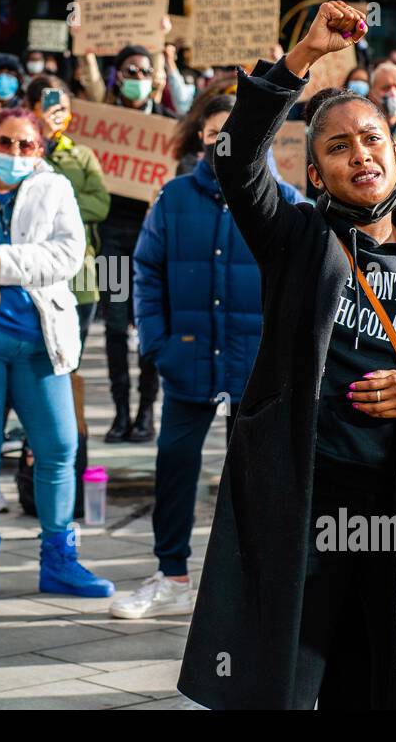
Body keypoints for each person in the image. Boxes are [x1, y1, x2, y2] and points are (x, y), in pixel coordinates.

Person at [176, 2, 396, 709]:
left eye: (371, 139)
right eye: (337, 147)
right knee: (294, 685)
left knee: (395, 684)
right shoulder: (295, 239)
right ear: (316, 173)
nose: (359, 153)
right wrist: (300, 62)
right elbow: (237, 161)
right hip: (306, 502)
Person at [112, 93, 304, 620]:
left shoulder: (285, 200)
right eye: (219, 131)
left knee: (256, 474)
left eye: (239, 132)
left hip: (257, 365)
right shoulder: (173, 199)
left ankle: (251, 582)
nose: (227, 142)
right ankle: (170, 574)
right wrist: (159, 345)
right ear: (202, 135)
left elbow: (302, 286)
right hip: (188, 360)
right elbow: (146, 273)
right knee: (175, 464)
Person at [0, 108, 114, 603]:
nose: (15, 154)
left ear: (40, 149)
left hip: (42, 339)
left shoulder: (56, 187)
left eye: (26, 145)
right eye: (6, 143)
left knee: (59, 449)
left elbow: (68, 254)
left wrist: (1, 261)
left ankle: (59, 561)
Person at [27, 74, 111, 485]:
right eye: (48, 106)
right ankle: (35, 466)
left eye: (62, 107)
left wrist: (58, 205)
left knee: (69, 371)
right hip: (32, 280)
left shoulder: (82, 157)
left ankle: (74, 468)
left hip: (79, 281)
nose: (56, 115)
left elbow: (101, 202)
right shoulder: (21, 153)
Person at [100, 43, 176, 444]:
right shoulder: (103, 124)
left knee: (148, 324)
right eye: (129, 72)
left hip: (153, 245)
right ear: (117, 78)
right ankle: (119, 412)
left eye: (144, 72)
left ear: (154, 79)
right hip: (111, 241)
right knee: (114, 327)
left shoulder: (169, 125)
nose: (137, 79)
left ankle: (147, 411)